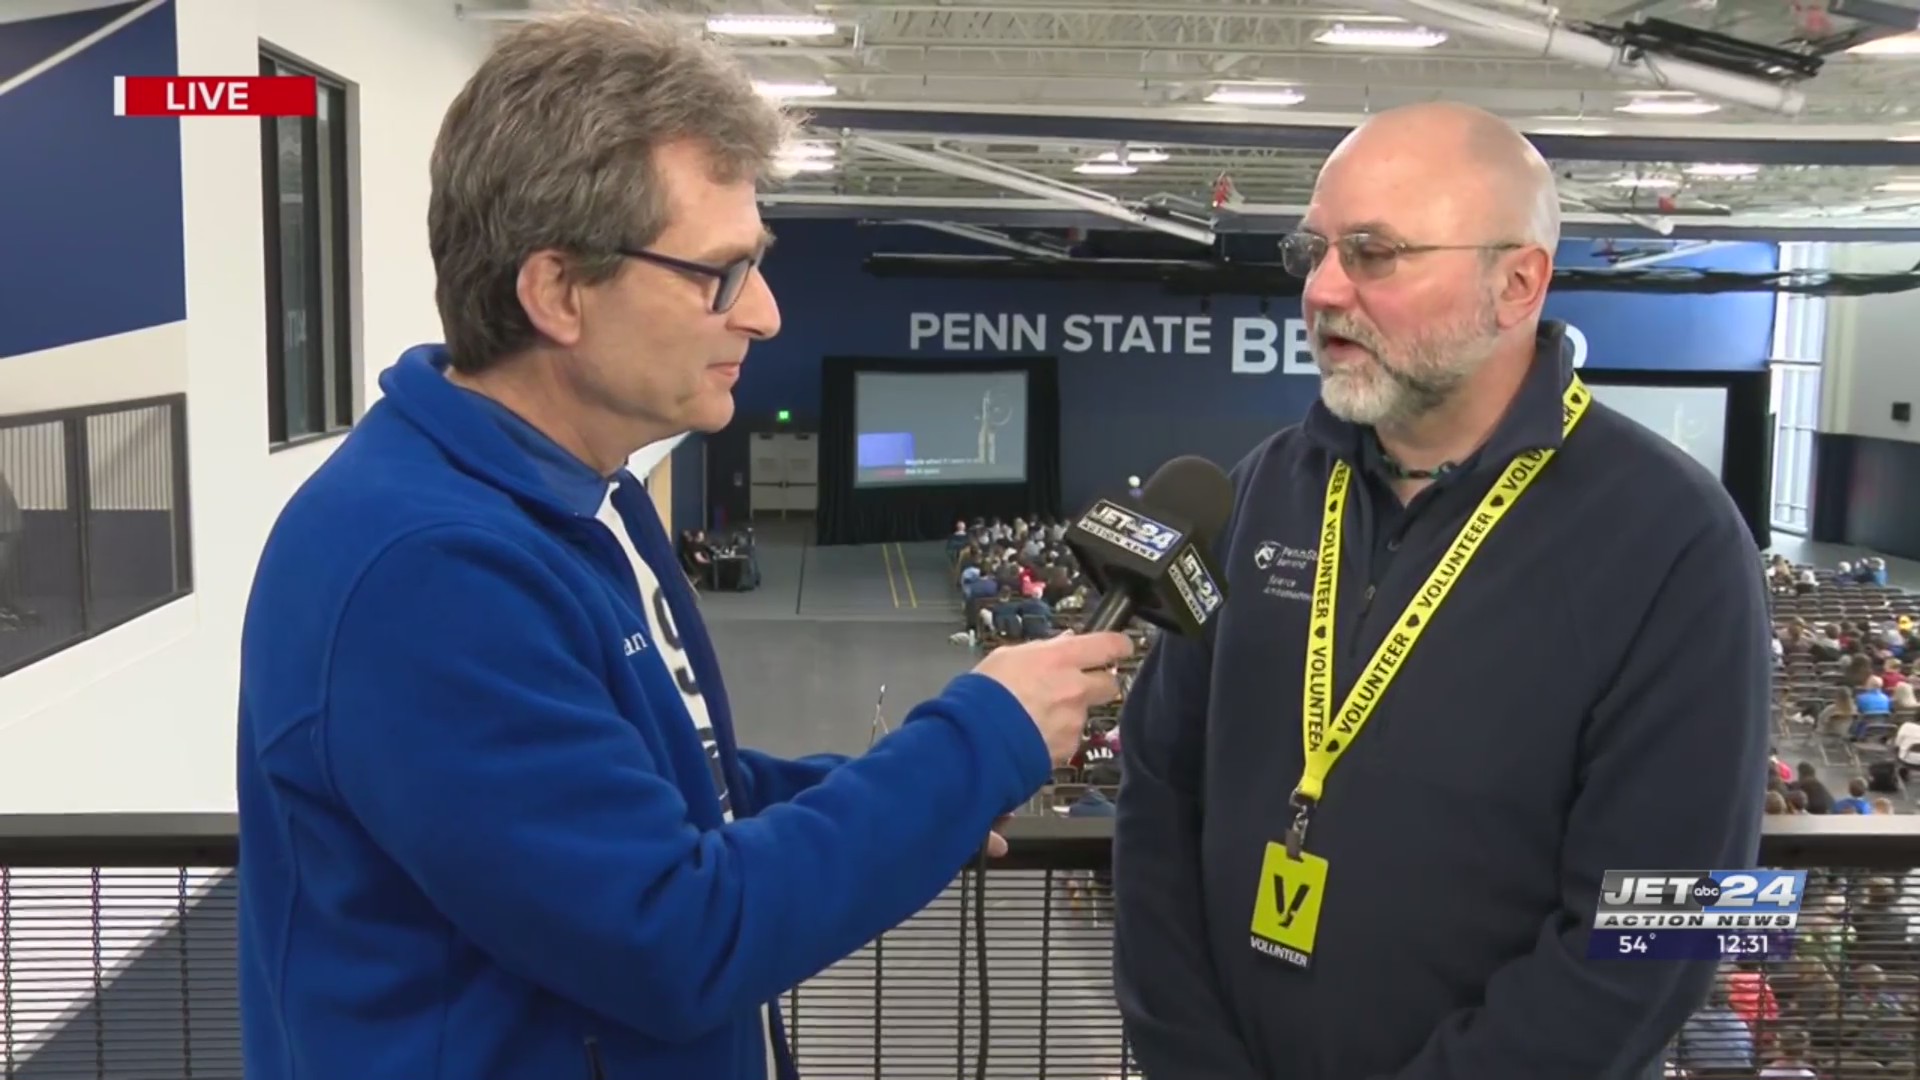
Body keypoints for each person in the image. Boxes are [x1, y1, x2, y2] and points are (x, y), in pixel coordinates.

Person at [233, 11, 1131, 1080]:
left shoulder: (580, 497)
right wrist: (979, 736)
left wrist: (913, 795)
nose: (766, 314)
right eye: (721, 273)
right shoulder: (424, 569)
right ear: (558, 292)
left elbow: (671, 786)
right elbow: (673, 939)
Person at [1112, 101, 1771, 1079]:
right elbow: (1158, 792)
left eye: (1374, 255)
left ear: (1516, 284)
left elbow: (1655, 935)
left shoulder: (1679, 544)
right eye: (1316, 251)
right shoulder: (1262, 490)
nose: (1325, 290)